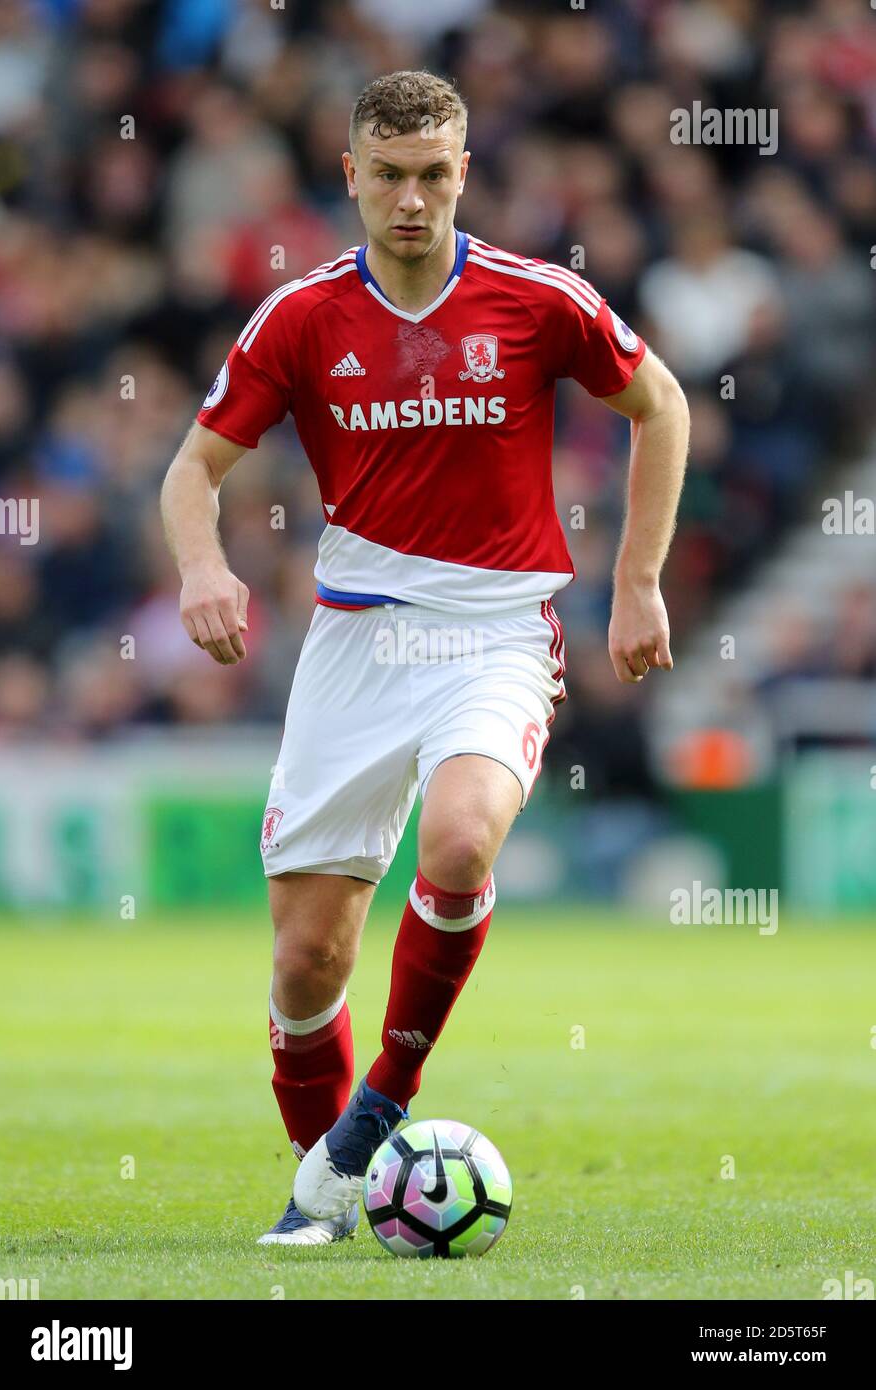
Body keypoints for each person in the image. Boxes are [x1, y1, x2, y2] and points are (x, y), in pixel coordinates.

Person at [161, 70, 689, 1246]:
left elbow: (660, 405)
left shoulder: (534, 298)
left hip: (496, 633)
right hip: (354, 641)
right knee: (307, 962)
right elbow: (191, 469)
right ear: (350, 174)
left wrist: (638, 580)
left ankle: (378, 1112)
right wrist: (203, 567)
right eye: (388, 175)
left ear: (464, 173)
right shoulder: (299, 318)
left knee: (457, 843)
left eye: (434, 174)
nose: (411, 199)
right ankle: (326, 1184)